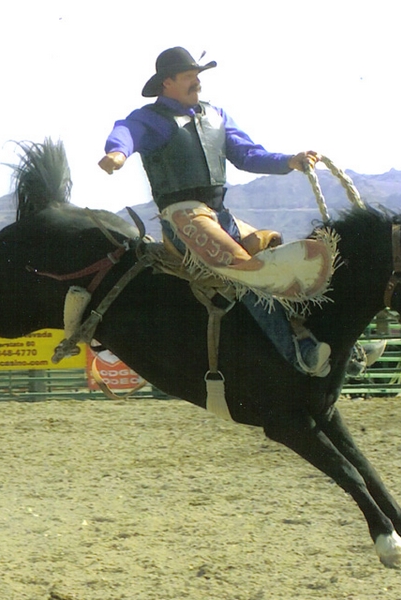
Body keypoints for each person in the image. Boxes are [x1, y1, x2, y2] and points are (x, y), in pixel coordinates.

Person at [99, 47, 333, 377]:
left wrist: (288, 161)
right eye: (189, 77)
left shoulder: (217, 116)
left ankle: (328, 341)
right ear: (168, 83)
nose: (197, 83)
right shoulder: (149, 119)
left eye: (198, 76)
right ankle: (301, 355)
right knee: (249, 272)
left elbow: (249, 155)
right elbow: (125, 131)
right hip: (183, 215)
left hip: (219, 214)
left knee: (275, 254)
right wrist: (117, 153)